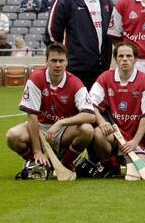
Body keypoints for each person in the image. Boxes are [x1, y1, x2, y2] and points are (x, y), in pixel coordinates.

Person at [6, 43, 95, 178]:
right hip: (40, 127)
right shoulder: (36, 78)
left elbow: (90, 115)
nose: (58, 65)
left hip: (64, 130)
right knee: (12, 136)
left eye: (61, 61)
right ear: (46, 61)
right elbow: (32, 116)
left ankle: (64, 163)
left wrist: (61, 123)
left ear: (67, 62)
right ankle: (36, 162)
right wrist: (37, 151)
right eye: (53, 61)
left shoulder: (75, 83)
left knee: (87, 130)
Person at [87, 42, 145, 173]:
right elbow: (91, 104)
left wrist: (135, 141)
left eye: (129, 56)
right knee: (98, 133)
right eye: (121, 56)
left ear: (135, 59)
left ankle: (142, 156)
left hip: (135, 139)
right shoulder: (105, 78)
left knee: (139, 171)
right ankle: (109, 164)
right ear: (116, 59)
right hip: (114, 136)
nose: (125, 59)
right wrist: (102, 122)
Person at [44, 0, 114, 88]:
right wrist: (64, 61)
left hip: (101, 72)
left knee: (99, 109)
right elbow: (52, 35)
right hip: (75, 72)